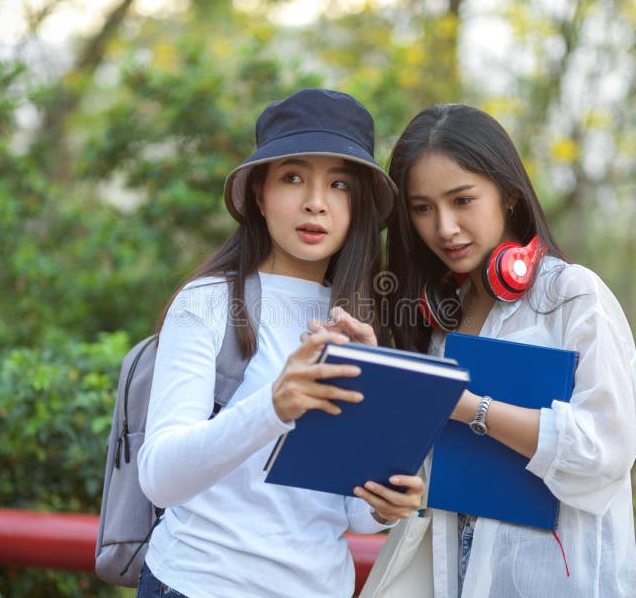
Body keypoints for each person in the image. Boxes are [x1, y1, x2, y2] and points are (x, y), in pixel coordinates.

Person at [135, 88, 425, 598]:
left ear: (357, 206)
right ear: (258, 194)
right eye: (293, 177)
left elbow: (356, 516)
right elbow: (160, 477)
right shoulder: (208, 302)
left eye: (339, 184)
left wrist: (387, 501)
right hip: (200, 584)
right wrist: (274, 404)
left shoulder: (359, 323)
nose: (316, 201)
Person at [383, 103, 636, 597]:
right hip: (453, 577)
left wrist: (468, 408)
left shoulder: (571, 296)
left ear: (506, 194)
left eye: (462, 200)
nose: (444, 227)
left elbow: (604, 452)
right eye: (422, 208)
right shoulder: (439, 321)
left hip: (549, 579)